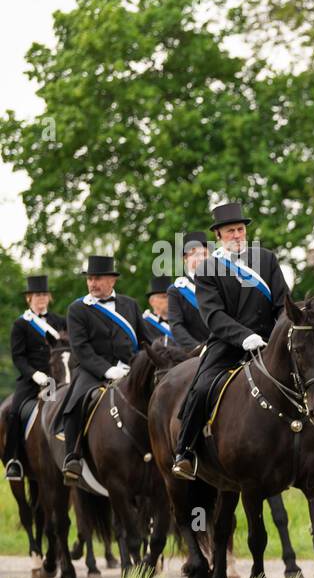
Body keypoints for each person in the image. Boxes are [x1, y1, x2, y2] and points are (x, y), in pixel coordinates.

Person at [170, 202, 289, 480]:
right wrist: (244, 336)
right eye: (230, 231)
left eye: (240, 229)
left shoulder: (266, 259)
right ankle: (184, 451)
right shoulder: (208, 269)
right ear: (219, 236)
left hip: (270, 341)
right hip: (228, 344)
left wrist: (281, 331)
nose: (237, 235)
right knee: (200, 389)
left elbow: (283, 302)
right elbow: (214, 315)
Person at [57, 256, 145, 483]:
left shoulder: (130, 305)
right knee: (76, 402)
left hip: (130, 366)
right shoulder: (77, 309)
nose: (92, 283)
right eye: (89, 279)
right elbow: (81, 349)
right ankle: (72, 456)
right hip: (91, 369)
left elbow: (145, 340)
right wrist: (107, 370)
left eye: (97, 279)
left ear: (112, 281)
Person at [4, 275, 66, 481]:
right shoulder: (21, 324)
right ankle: (15, 460)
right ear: (28, 299)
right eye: (36, 295)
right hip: (32, 380)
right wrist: (34, 374)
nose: (41, 299)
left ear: (49, 298)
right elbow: (18, 357)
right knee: (14, 412)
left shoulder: (59, 321)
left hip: (59, 378)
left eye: (44, 295)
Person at [169, 230, 210, 352]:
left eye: (204, 253)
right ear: (185, 258)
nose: (201, 258)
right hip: (199, 352)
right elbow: (176, 326)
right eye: (194, 254)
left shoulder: (222, 283)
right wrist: (198, 348)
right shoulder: (176, 291)